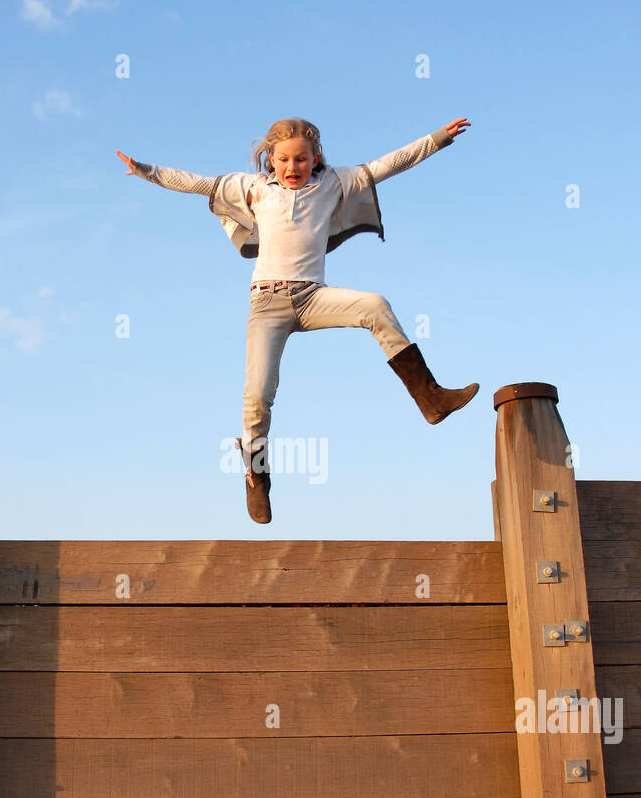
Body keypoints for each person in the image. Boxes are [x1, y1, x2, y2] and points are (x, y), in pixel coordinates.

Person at [117, 117, 477, 524]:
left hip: (313, 297)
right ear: (270, 159)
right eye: (284, 159)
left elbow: (388, 164)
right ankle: (256, 475)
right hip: (267, 305)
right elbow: (196, 182)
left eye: (301, 159)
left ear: (315, 158)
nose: (292, 167)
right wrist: (146, 171)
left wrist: (440, 138)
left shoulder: (333, 183)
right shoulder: (252, 187)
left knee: (375, 304)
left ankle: (430, 398)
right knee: (257, 395)